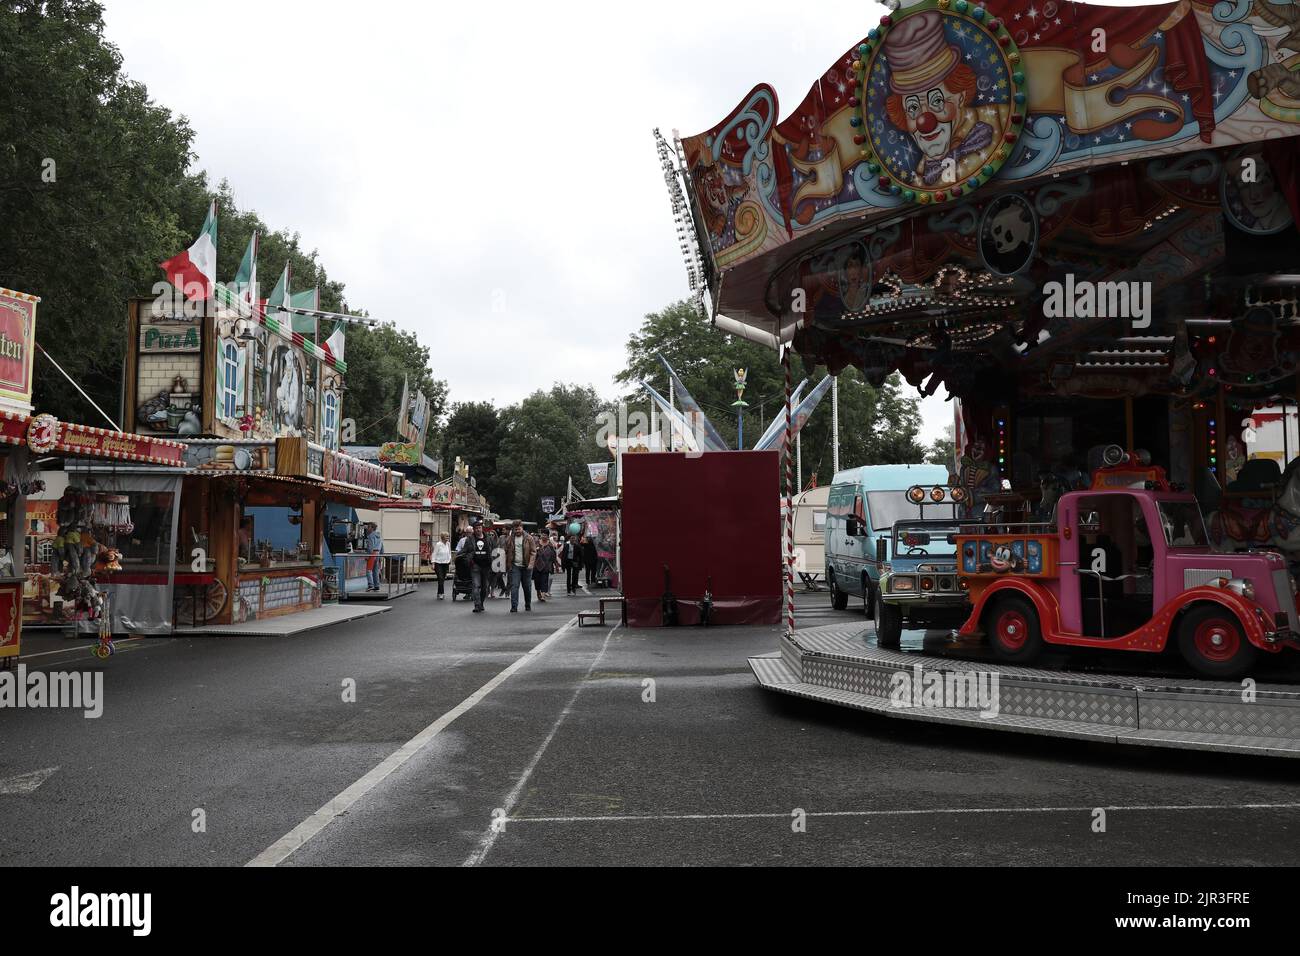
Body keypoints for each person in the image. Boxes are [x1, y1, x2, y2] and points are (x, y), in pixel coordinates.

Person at [502, 520, 535, 612]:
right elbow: (505, 551)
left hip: (526, 566)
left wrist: (531, 564)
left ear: (522, 528)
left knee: (527, 587)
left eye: (519, 529)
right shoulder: (509, 539)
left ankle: (527, 604)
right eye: (516, 529)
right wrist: (505, 565)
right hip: (514, 566)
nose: (517, 531)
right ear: (513, 529)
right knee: (514, 586)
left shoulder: (529, 538)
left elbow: (533, 552)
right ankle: (514, 606)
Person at [463, 521, 494, 612]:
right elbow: (465, 551)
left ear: (482, 528)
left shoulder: (488, 538)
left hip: (486, 566)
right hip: (475, 565)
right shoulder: (470, 539)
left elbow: (494, 549)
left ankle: (481, 603)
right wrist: (467, 560)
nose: (478, 530)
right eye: (476, 528)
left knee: (485, 587)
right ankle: (477, 605)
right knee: (476, 585)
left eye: (479, 528)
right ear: (474, 529)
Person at [533, 532, 556, 602]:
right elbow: (532, 553)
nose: (544, 536)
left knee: (544, 580)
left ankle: (543, 595)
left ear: (548, 536)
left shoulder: (550, 545)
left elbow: (553, 555)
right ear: (541, 536)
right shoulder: (536, 543)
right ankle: (538, 592)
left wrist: (553, 564)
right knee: (537, 581)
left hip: (546, 566)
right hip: (536, 566)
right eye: (543, 535)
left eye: (545, 535)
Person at [364, 522, 384, 592]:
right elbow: (382, 547)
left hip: (372, 553)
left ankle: (370, 585)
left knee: (368, 570)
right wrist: (381, 555)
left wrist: (368, 556)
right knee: (375, 570)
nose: (367, 528)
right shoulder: (379, 536)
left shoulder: (370, 536)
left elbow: (370, 547)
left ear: (372, 528)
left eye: (368, 527)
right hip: (378, 553)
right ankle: (377, 586)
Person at [432, 531, 452, 600]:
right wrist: (433, 563)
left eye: (448, 536)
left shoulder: (448, 544)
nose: (448, 538)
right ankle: (441, 593)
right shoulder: (438, 544)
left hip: (445, 563)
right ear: (443, 537)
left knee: (442, 579)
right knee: (440, 578)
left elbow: (449, 553)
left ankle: (438, 592)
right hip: (438, 563)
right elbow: (434, 554)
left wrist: (449, 559)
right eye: (447, 536)